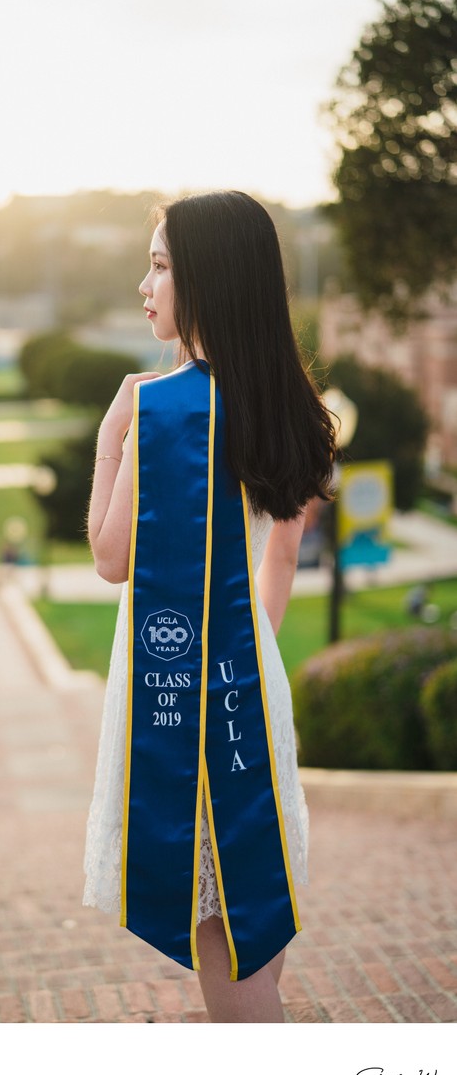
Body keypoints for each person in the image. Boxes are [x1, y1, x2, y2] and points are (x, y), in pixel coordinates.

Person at [83, 191, 336, 1023]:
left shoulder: (161, 410)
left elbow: (111, 559)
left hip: (184, 706)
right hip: (252, 689)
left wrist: (111, 436)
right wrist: (244, 646)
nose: (144, 284)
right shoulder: (283, 400)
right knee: (253, 928)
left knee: (226, 951)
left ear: (207, 280)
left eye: (159, 265)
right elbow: (282, 549)